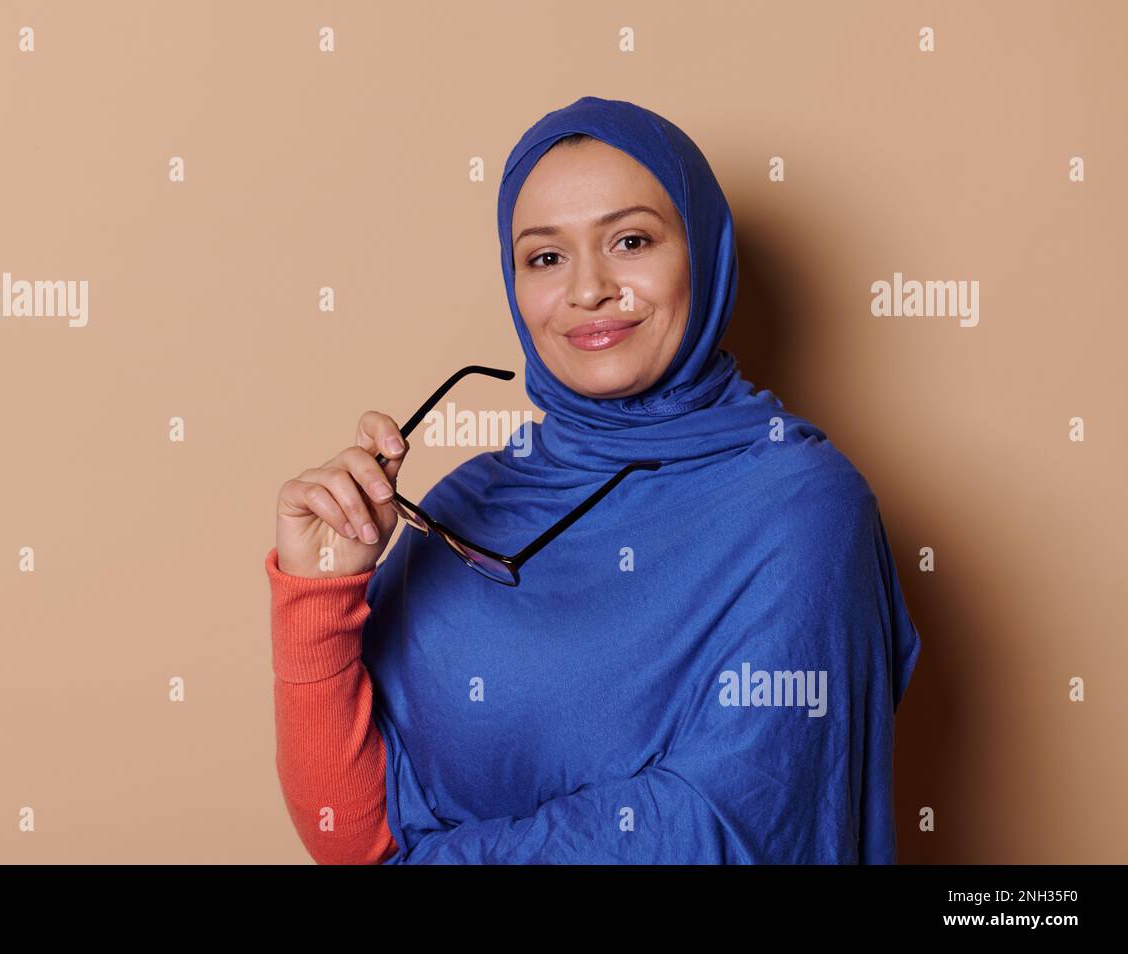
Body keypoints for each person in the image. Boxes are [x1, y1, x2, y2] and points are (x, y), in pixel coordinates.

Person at [267, 95, 921, 864]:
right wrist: (318, 599)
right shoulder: (466, 506)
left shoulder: (803, 509)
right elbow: (351, 838)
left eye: (631, 240)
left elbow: (724, 829)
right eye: (546, 257)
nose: (588, 290)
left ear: (703, 255)